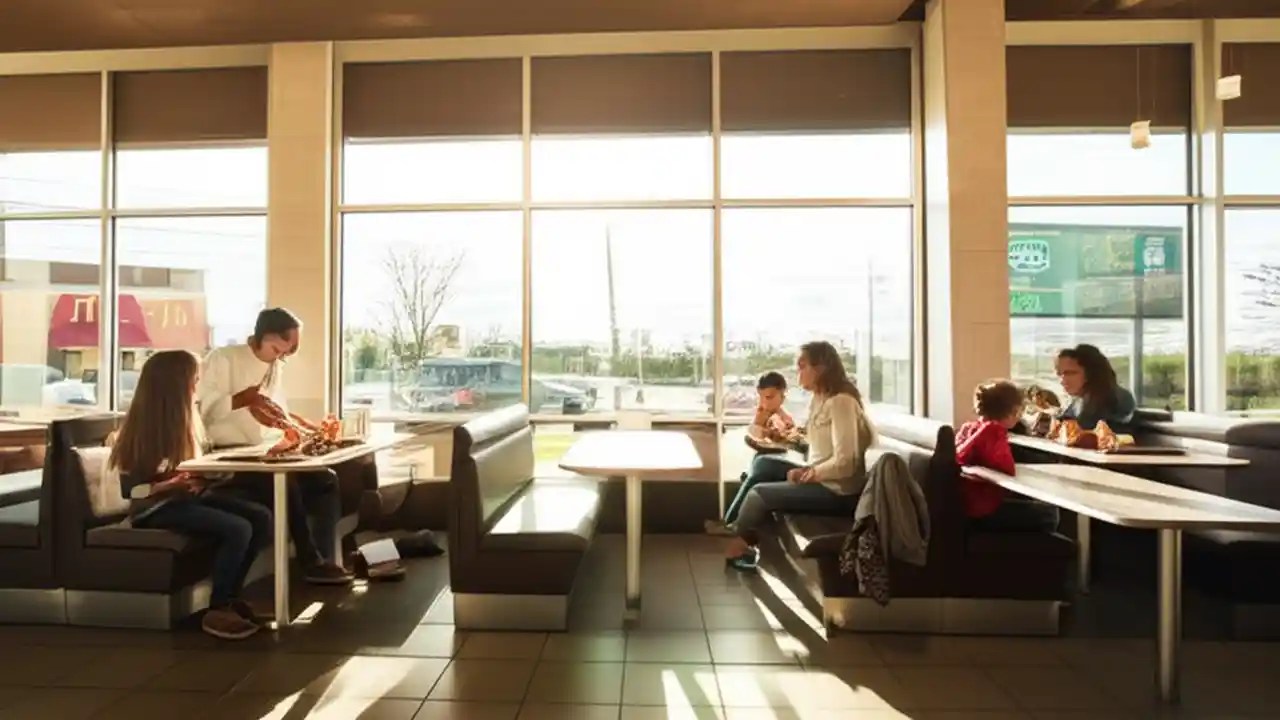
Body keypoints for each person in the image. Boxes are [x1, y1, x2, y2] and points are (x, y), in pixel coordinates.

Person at [110, 350, 270, 640]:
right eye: (193, 380)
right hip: (154, 508)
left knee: (261, 517)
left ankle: (231, 597)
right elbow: (132, 491)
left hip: (182, 498)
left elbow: (185, 471)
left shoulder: (186, 419)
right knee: (238, 528)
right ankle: (218, 607)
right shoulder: (139, 431)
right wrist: (170, 485)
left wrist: (200, 480)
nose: (197, 386)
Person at [197, 308, 352, 585]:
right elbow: (204, 409)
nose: (282, 357)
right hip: (228, 453)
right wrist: (242, 399)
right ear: (265, 335)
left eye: (288, 352)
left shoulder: (274, 367)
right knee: (285, 482)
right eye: (281, 349)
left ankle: (327, 558)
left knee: (325, 479)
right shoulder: (224, 358)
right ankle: (310, 561)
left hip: (264, 450)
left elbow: (280, 411)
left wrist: (310, 429)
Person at [723, 341, 875, 572]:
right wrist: (783, 440)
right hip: (823, 479)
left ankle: (739, 546)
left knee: (759, 494)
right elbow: (818, 448)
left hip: (837, 491)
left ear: (821, 368)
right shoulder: (820, 400)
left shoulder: (841, 402)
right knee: (763, 464)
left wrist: (810, 473)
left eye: (803, 366)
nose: (798, 372)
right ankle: (736, 524)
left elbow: (846, 462)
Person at [955, 380, 1059, 532]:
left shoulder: (968, 428)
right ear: (1014, 411)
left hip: (967, 504)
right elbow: (1008, 470)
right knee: (1050, 513)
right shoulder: (995, 432)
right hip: (986, 508)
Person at [704, 371, 798, 537]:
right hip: (767, 460)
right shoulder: (764, 415)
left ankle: (731, 522)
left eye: (769, 397)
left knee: (757, 469)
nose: (764, 402)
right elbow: (754, 435)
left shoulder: (785, 420)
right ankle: (730, 521)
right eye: (761, 398)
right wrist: (758, 422)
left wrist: (771, 432)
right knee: (754, 469)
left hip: (782, 466)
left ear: (782, 397)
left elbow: (787, 443)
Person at [1054, 344, 1137, 431]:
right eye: (1059, 374)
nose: (1062, 380)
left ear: (1091, 373)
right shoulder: (1079, 400)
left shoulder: (1117, 398)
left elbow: (1090, 430)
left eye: (1070, 373)